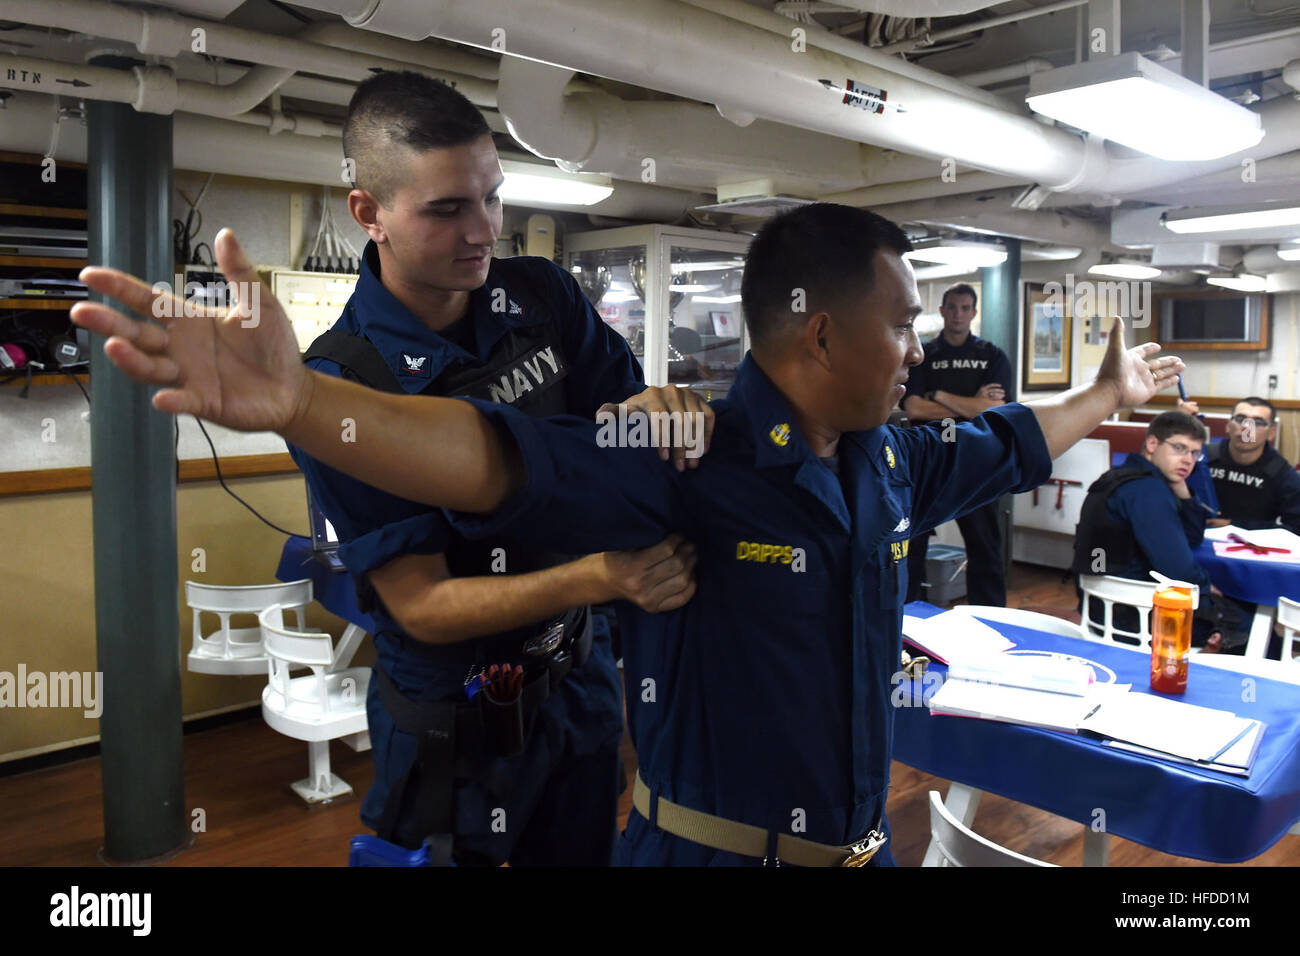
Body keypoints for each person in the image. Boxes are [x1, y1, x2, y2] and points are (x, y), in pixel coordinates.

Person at [72, 203, 1185, 866]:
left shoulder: (886, 456)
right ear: (825, 330)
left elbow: (1013, 440)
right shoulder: (681, 457)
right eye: (902, 324)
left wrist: (1107, 391)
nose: (915, 350)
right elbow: (498, 453)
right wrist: (311, 406)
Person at [287, 73, 712, 866]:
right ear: (368, 212)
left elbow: (622, 442)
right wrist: (603, 576)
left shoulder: (542, 295)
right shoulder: (343, 386)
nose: (482, 230)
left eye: (493, 197)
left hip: (577, 683)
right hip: (458, 715)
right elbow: (423, 605)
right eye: (446, 209)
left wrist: (658, 410)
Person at [1071, 411, 1246, 652]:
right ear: (1153, 444)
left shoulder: (1114, 478)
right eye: (1179, 448)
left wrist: (1181, 487)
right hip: (1137, 620)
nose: (1188, 460)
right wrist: (1208, 586)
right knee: (1246, 619)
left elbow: (1191, 538)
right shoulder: (1149, 491)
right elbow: (1179, 572)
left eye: (1195, 453)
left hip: (1096, 608)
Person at [901, 283, 1015, 606]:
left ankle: (991, 619)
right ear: (941, 311)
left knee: (986, 549)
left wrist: (938, 396)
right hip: (929, 457)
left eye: (966, 308)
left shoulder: (991, 356)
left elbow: (994, 409)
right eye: (952, 307)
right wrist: (972, 403)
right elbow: (914, 408)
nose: (958, 314)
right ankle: (908, 618)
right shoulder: (923, 355)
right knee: (911, 545)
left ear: (974, 313)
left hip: (976, 459)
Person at [1178, 397, 1300, 535]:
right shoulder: (1201, 458)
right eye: (1241, 419)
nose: (1247, 427)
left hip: (1251, 549)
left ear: (1271, 432)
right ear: (1228, 425)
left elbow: (1295, 528)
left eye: (1258, 422)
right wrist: (1177, 423)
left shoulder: (1281, 473)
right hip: (1195, 537)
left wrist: (1234, 526)